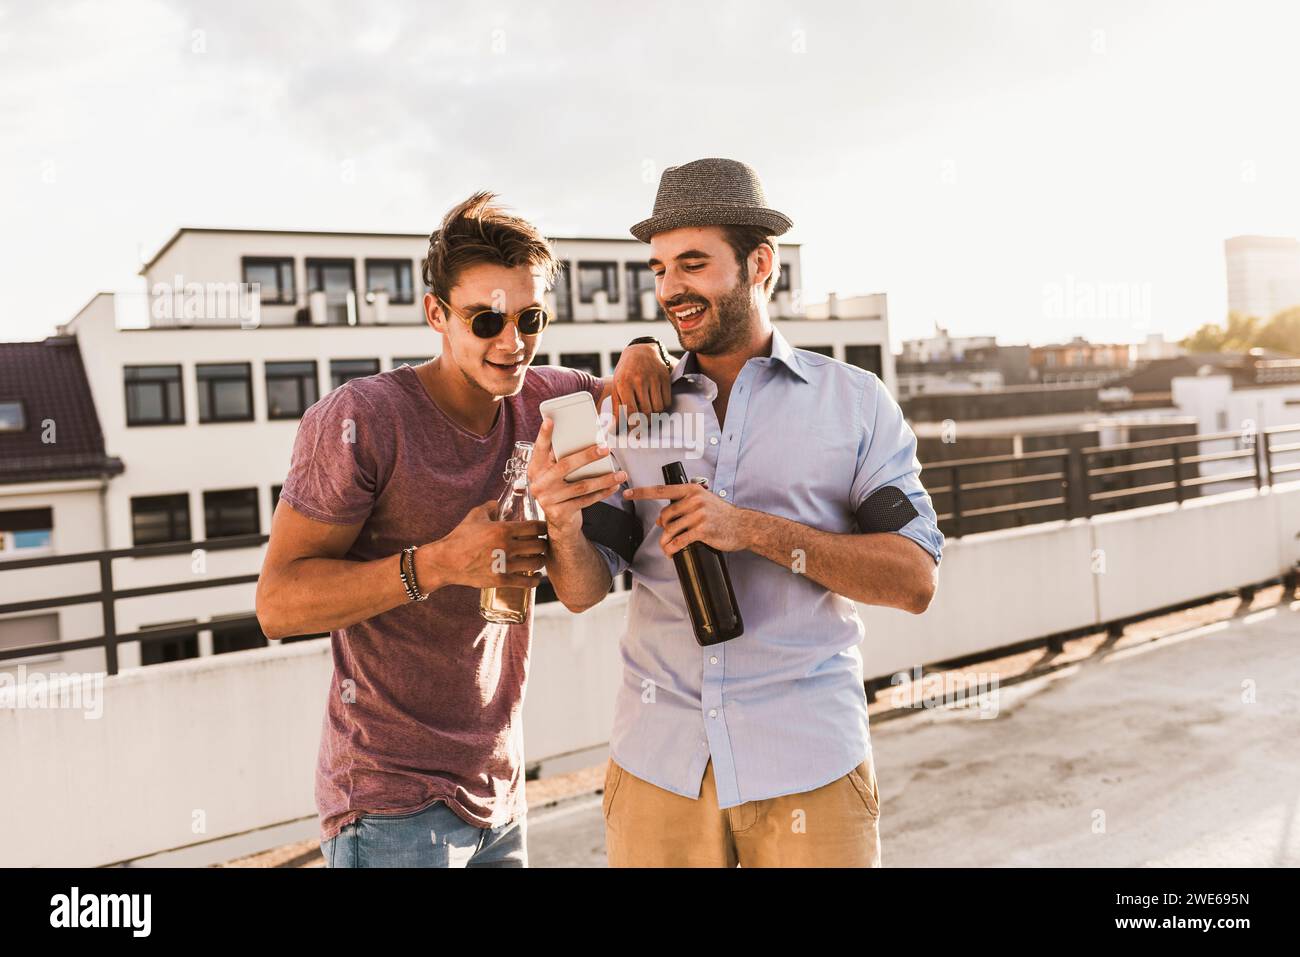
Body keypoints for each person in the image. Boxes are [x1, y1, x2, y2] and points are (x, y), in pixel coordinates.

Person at [540, 158, 944, 867]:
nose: (670, 289)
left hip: (809, 765)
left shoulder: (854, 402)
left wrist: (749, 529)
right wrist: (562, 522)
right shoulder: (631, 410)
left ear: (761, 263)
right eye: (660, 269)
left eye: (692, 265)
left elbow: (913, 580)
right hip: (658, 768)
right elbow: (580, 590)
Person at [254, 191, 672, 868]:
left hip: (500, 794)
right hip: (390, 804)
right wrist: (440, 562)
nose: (513, 343)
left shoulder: (550, 400)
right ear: (437, 315)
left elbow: (633, 392)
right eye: (486, 320)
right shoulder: (361, 420)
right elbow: (277, 603)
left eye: (530, 317)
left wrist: (644, 346)